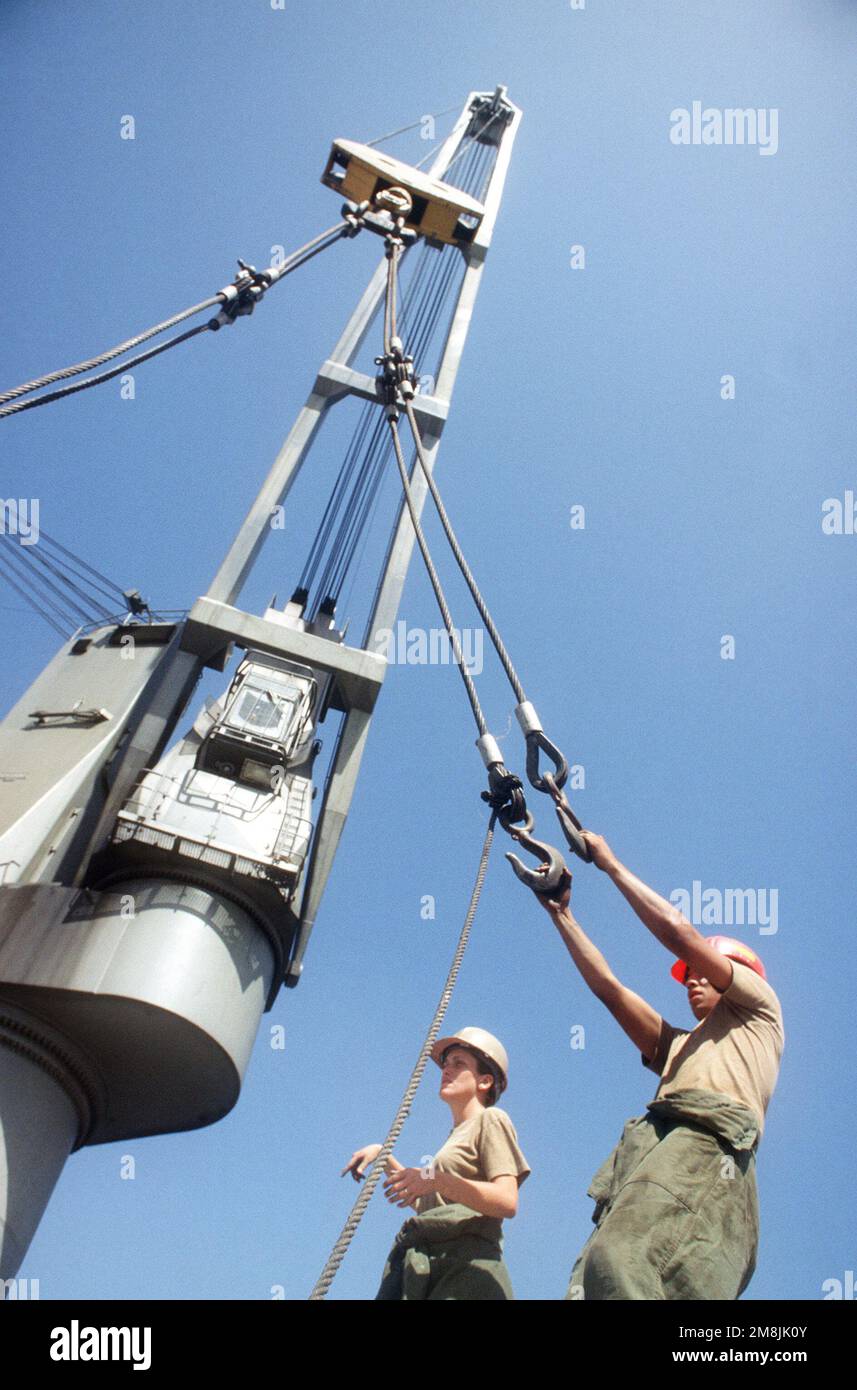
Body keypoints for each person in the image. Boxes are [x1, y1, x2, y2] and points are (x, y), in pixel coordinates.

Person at [524, 829, 784, 1301]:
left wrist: (610, 864)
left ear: (740, 976)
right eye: (687, 977)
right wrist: (561, 913)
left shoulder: (759, 1010)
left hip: (705, 1149)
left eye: (702, 970)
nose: (691, 980)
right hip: (663, 1155)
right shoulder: (681, 1048)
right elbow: (610, 989)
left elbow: (680, 934)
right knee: (599, 1281)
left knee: (619, 1259)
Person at [342, 1027, 530, 1300]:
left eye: (458, 1064)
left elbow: (506, 1201)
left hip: (466, 1271)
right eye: (445, 1064)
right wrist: (383, 1155)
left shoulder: (492, 1120)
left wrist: (435, 1179)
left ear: (485, 1081)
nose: (446, 1070)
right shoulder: (455, 1137)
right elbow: (437, 1206)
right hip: (435, 1266)